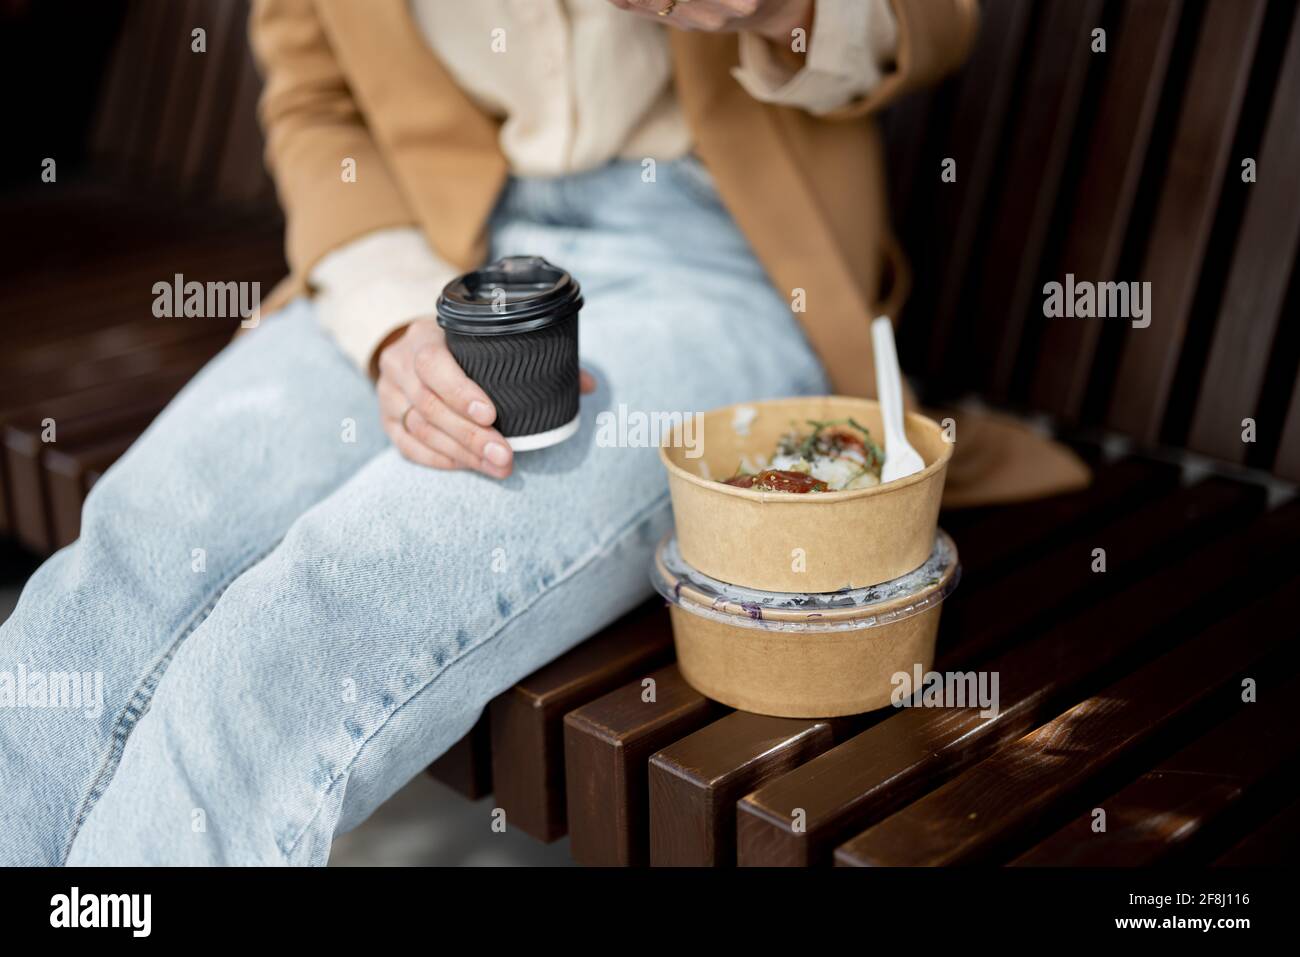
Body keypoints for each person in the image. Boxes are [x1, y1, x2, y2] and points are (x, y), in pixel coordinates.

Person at [0, 0, 1085, 865]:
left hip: (709, 265)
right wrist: (391, 322)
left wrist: (781, 9)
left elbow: (933, 21)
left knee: (304, 625)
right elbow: (316, 106)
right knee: (125, 551)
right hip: (428, 252)